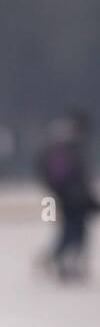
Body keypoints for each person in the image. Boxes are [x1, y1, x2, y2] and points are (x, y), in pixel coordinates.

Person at [37, 111, 97, 282]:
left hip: (70, 198)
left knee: (74, 232)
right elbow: (74, 178)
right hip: (72, 199)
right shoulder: (68, 147)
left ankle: (64, 263)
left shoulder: (65, 145)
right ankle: (63, 263)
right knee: (74, 232)